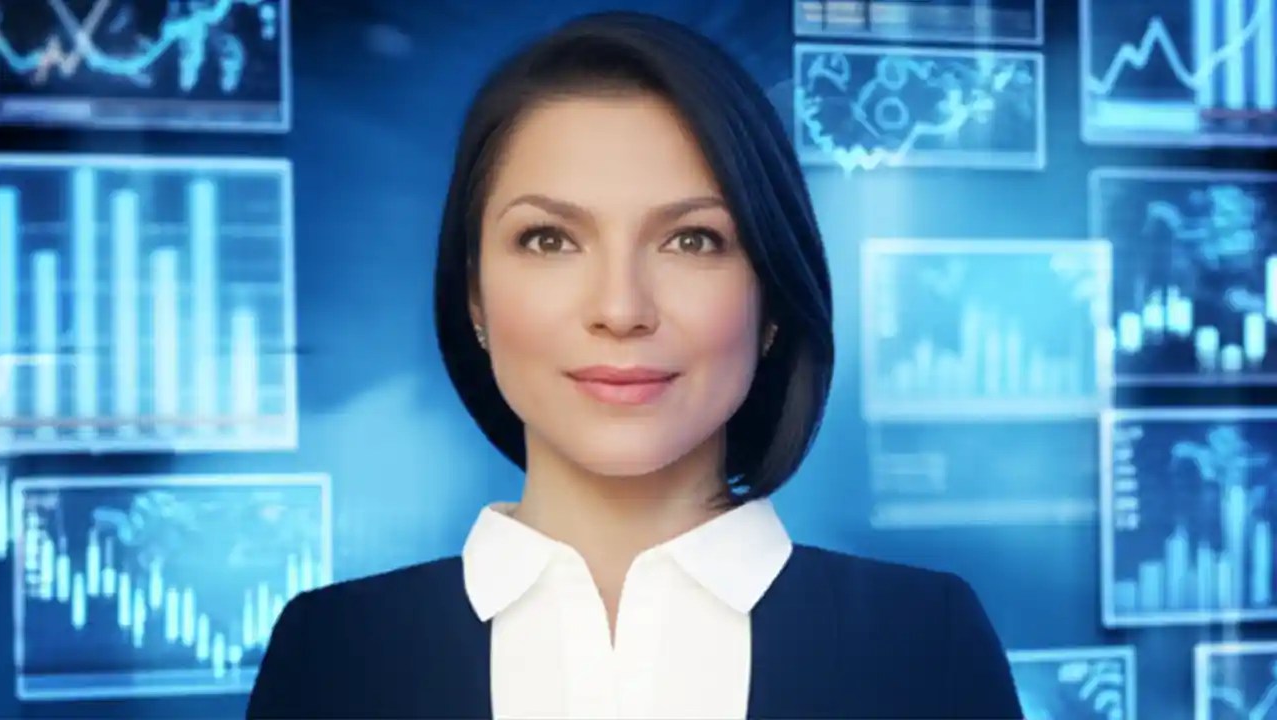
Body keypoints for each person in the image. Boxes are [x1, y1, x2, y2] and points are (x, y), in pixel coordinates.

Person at [246, 10, 1023, 720]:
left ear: (773, 304)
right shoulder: (333, 654)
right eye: (550, 240)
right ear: (473, 297)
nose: (620, 309)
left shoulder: (925, 644)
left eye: (692, 241)